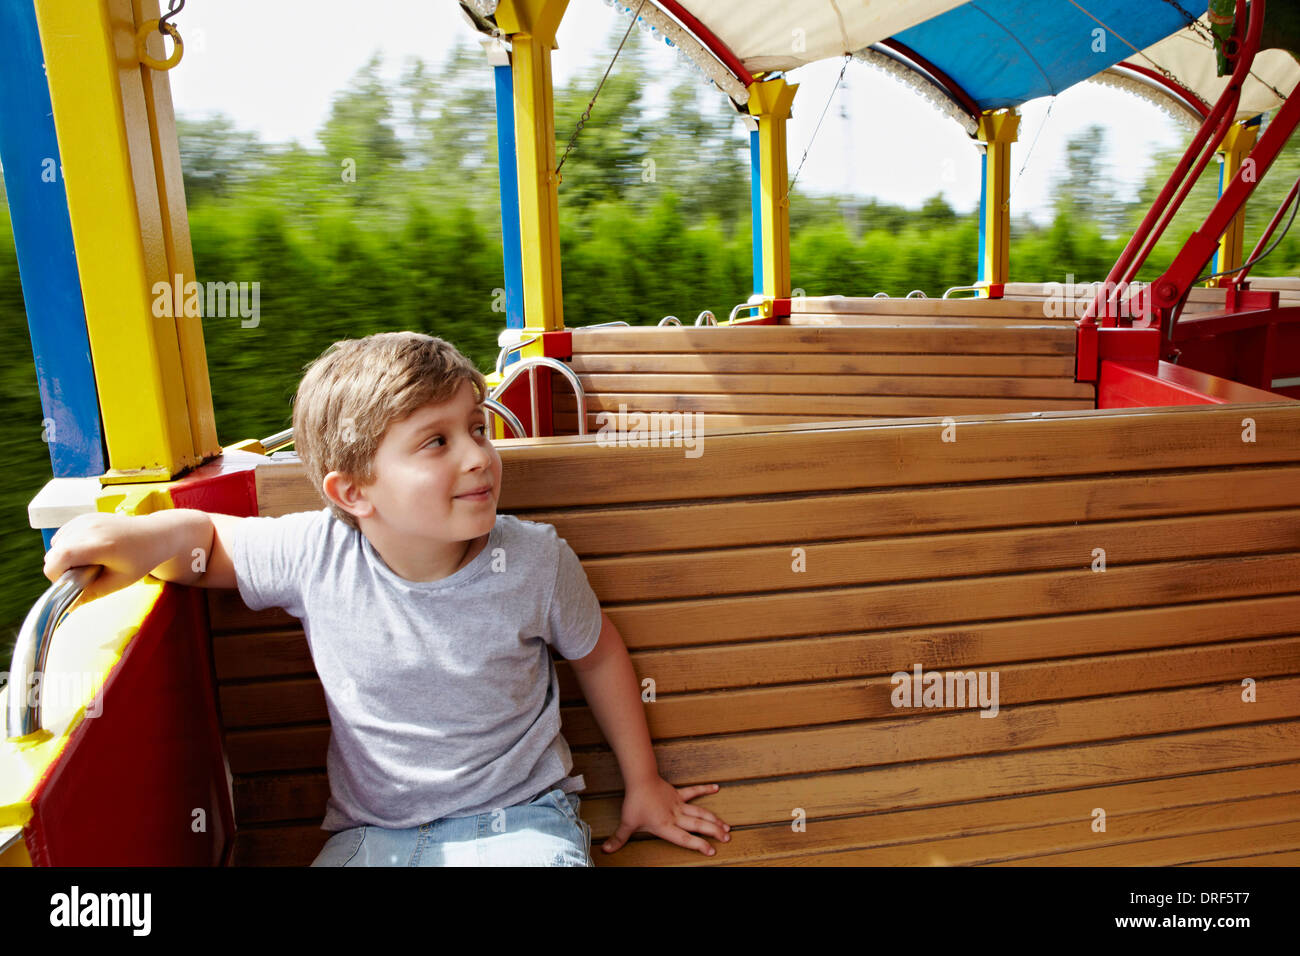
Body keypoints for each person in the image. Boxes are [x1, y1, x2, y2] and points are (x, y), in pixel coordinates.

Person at [43, 331, 731, 866]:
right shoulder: (317, 553)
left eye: (477, 429)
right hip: (371, 840)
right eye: (436, 441)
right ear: (353, 493)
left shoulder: (533, 560)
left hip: (518, 823)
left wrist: (642, 783)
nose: (478, 457)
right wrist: (136, 538)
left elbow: (599, 652)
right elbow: (200, 539)